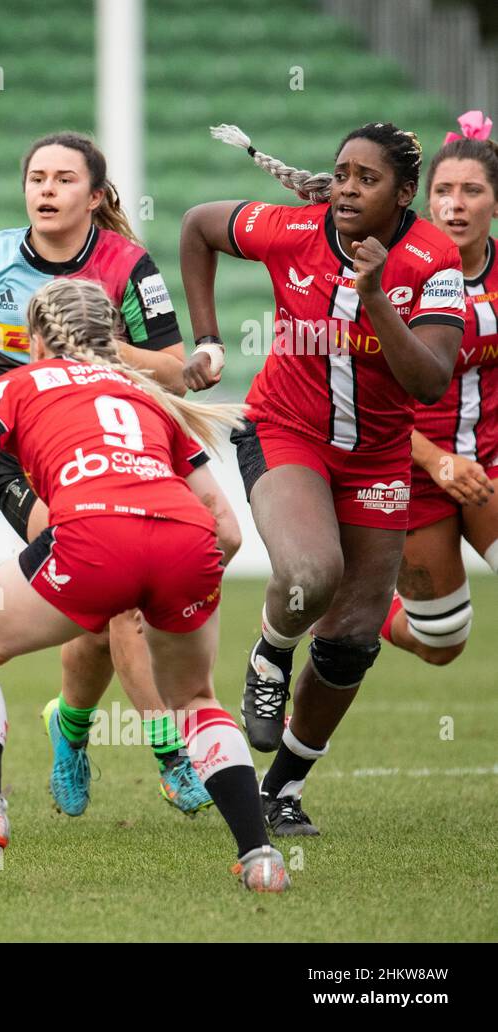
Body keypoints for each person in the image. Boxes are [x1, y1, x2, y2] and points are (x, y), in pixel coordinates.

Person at [0, 277, 288, 892]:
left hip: (93, 540)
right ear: (114, 337)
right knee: (194, 702)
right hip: (186, 540)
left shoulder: (17, 384)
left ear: (35, 339)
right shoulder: (148, 395)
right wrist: (167, 583)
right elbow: (227, 529)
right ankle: (260, 856)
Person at [0, 131, 237, 817]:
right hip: (23, 452)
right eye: (37, 177)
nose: (45, 189)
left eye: (64, 179)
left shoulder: (127, 264)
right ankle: (168, 750)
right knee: (116, 593)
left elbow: (174, 366)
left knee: (101, 614)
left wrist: (87, 345)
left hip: (111, 441)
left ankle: (67, 727)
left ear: (95, 197)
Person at [182, 122, 466, 835]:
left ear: (405, 196)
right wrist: (209, 336)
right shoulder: (293, 229)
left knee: (352, 642)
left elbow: (429, 381)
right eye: (341, 173)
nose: (346, 188)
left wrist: (374, 297)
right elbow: (196, 227)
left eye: (366, 179)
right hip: (284, 430)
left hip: (377, 457)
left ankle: (281, 791)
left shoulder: (434, 261)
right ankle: (270, 651)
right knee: (311, 571)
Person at [382, 113, 498, 663]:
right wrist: (436, 461)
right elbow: (361, 399)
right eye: (444, 191)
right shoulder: (388, 278)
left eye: (472, 191)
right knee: (442, 642)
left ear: (494, 204)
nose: (456, 203)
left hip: (490, 467)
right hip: (412, 469)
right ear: (425, 202)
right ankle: (347, 607)